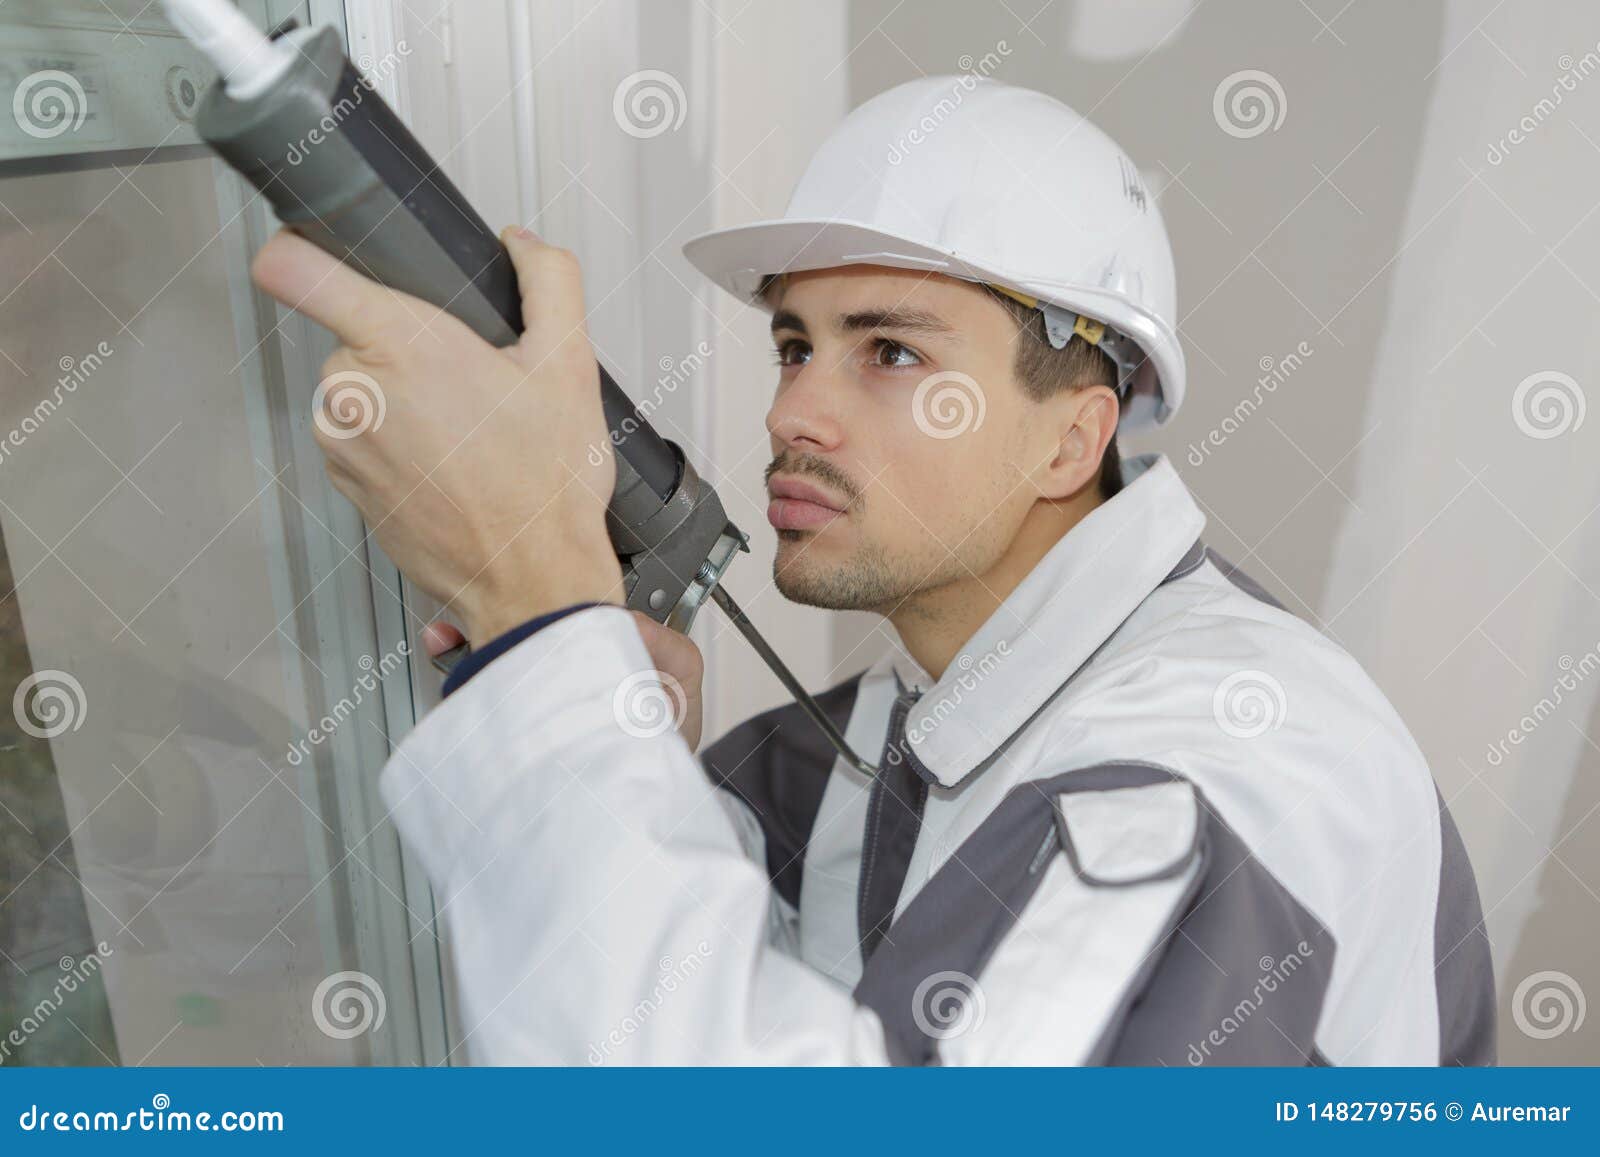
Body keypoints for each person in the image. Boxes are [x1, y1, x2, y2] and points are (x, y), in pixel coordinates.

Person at [250, 76, 1495, 1064]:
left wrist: (542, 614)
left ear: (1074, 434)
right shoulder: (846, 752)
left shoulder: (1213, 776)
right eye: (795, 344)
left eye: (889, 352)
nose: (795, 411)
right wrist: (602, 722)